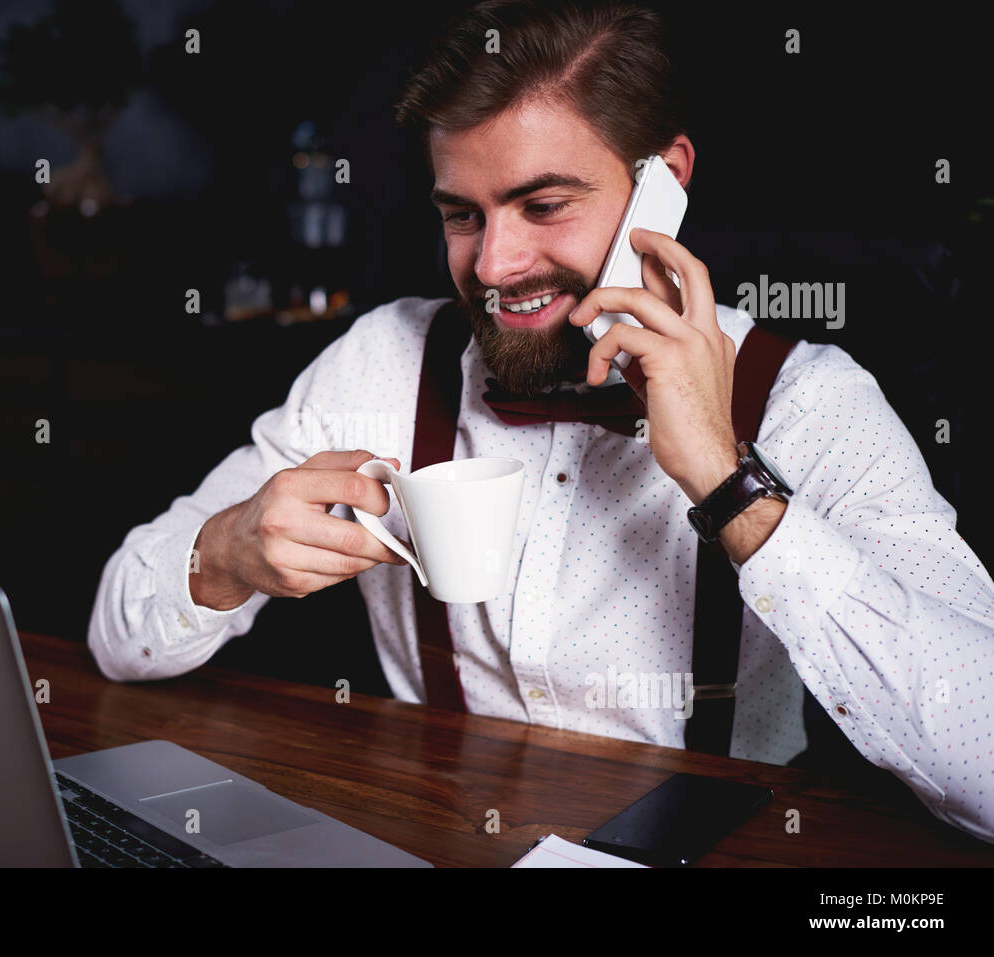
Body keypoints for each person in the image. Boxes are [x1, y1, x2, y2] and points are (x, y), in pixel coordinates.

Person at [87, 0, 993, 842]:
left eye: (544, 204)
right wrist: (226, 554)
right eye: (461, 215)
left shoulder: (809, 402)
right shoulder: (380, 361)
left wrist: (730, 484)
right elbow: (115, 636)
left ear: (664, 184)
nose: (495, 264)